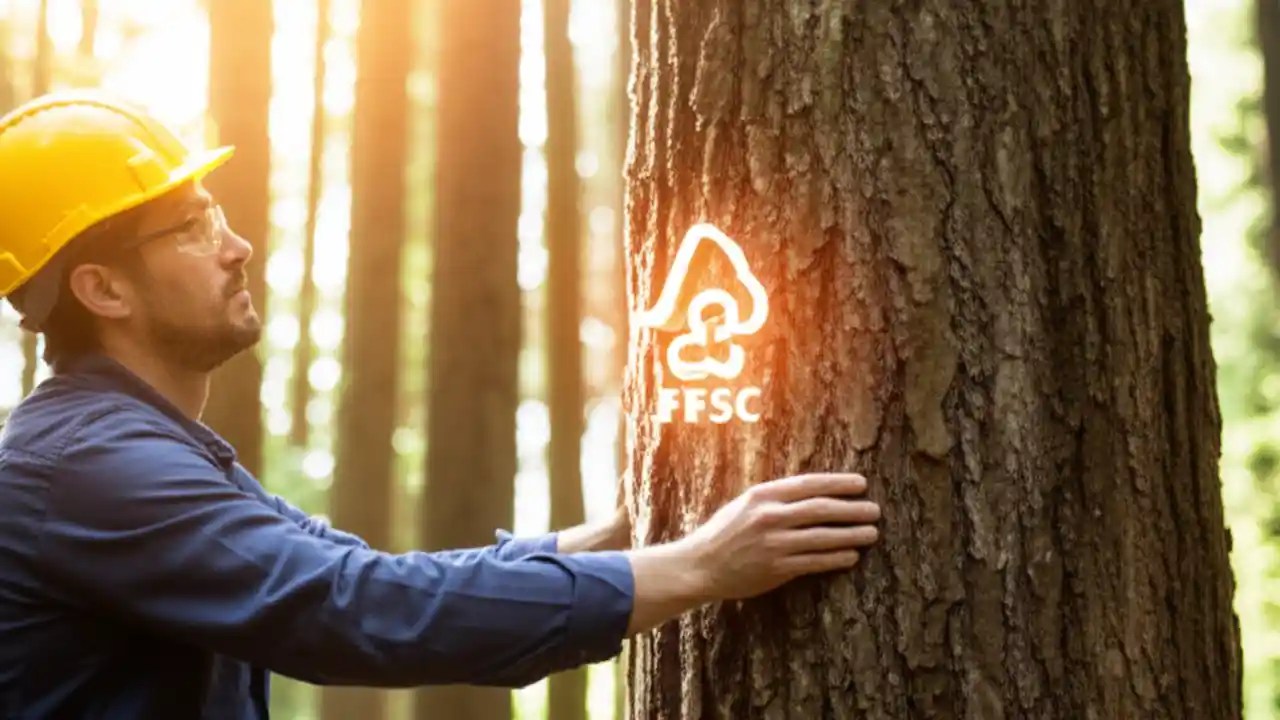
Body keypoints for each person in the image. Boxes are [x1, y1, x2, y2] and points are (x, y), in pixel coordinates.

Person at [0, 91, 883, 718]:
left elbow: (350, 567)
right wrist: (696, 568)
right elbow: (349, 609)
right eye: (190, 228)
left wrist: (624, 533)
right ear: (102, 290)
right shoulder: (87, 470)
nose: (236, 245)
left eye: (215, 212)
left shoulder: (135, 448)